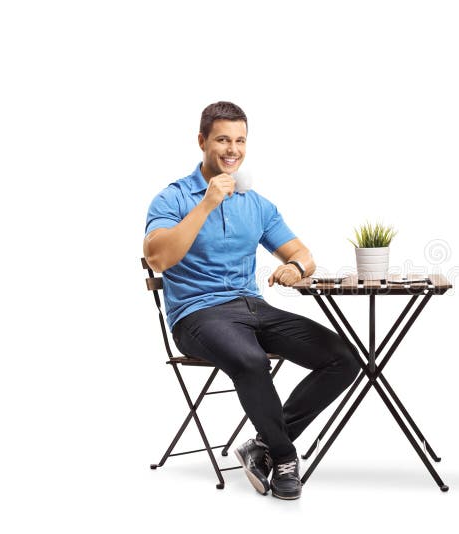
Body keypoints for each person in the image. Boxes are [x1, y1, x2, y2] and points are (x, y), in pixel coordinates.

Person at [143, 101, 358, 500]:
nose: (232, 150)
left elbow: (303, 254)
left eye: (240, 141)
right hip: (197, 315)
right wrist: (207, 202)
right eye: (223, 139)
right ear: (202, 141)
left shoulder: (256, 203)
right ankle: (284, 456)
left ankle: (260, 444)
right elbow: (158, 257)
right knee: (251, 360)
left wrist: (297, 266)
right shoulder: (172, 199)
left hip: (252, 308)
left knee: (344, 358)